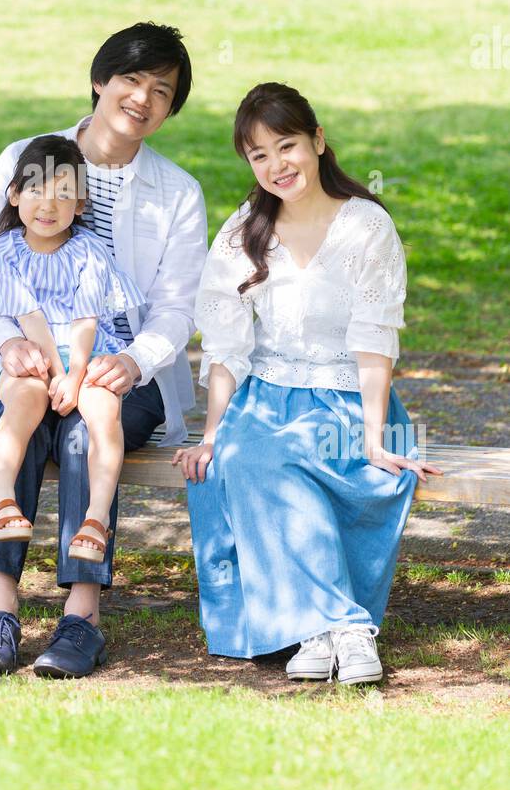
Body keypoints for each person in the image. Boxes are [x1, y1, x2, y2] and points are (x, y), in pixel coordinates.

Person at [0, 22, 207, 678]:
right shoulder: (29, 155)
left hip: (125, 372)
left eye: (162, 90)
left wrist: (131, 362)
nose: (142, 98)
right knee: (24, 419)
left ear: (170, 109)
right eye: (130, 79)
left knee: (80, 435)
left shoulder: (177, 193)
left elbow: (179, 307)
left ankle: (81, 616)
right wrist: (9, 342)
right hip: (31, 361)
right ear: (100, 81)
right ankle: (0, 611)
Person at [174, 81, 442, 685]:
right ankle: (331, 626)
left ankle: (327, 624)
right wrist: (212, 432)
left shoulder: (365, 228)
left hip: (351, 397)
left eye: (286, 145)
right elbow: (226, 347)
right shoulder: (246, 229)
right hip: (267, 397)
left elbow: (375, 340)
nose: (276, 165)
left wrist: (375, 437)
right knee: (247, 455)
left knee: (308, 456)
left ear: (318, 141)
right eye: (258, 155)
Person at [0, 133, 146, 563]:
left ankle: (95, 520)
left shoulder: (88, 251)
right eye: (37, 190)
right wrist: (53, 376)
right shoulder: (3, 253)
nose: (48, 205)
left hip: (86, 354)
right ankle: (2, 501)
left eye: (65, 194)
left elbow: (86, 319)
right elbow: (30, 319)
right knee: (23, 403)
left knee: (103, 413)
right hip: (33, 358)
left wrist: (76, 376)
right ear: (14, 195)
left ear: (80, 205)